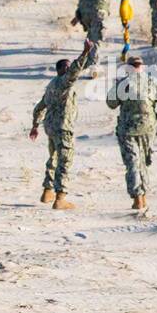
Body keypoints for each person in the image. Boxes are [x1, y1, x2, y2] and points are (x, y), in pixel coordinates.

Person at [29, 39, 95, 210]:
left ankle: (47, 191)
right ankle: (60, 198)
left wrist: (35, 126)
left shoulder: (51, 85)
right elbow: (75, 70)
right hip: (62, 128)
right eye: (65, 67)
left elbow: (39, 107)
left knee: (53, 158)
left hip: (50, 128)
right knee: (65, 161)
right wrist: (85, 52)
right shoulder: (64, 82)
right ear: (60, 71)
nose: (68, 69)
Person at [107, 55, 157, 210]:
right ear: (142, 67)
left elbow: (111, 103)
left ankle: (138, 197)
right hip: (148, 128)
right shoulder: (153, 82)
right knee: (143, 162)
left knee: (132, 162)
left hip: (127, 129)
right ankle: (143, 196)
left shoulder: (123, 84)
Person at [74, 0, 134, 75]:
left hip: (83, 11)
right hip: (99, 10)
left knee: (91, 35)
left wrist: (77, 15)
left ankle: (86, 61)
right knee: (97, 38)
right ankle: (93, 67)